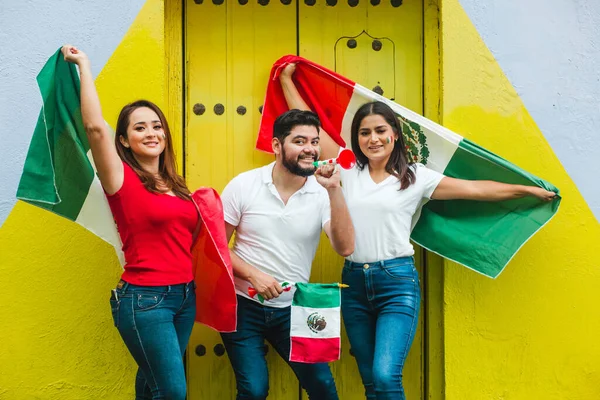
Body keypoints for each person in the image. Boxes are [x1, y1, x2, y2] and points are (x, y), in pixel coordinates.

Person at [279, 63, 556, 400]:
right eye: (365, 133)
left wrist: (525, 190)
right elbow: (308, 126)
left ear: (394, 134)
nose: (373, 139)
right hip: (352, 283)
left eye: (380, 131)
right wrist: (286, 79)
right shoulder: (346, 167)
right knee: (369, 378)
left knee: (385, 375)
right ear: (357, 139)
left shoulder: (415, 176)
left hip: (396, 283)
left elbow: (475, 190)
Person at [62, 45, 199, 400]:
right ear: (124, 139)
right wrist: (84, 66)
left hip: (184, 297)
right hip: (145, 300)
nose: (152, 133)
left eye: (157, 126)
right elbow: (93, 128)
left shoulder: (177, 186)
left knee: (151, 387)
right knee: (172, 392)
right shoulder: (120, 179)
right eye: (140, 128)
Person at [220, 109, 355, 400]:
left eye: (315, 141)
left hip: (295, 308)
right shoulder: (244, 185)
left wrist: (334, 190)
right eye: (300, 141)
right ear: (277, 145)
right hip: (243, 306)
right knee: (254, 390)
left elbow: (345, 247)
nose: (310, 149)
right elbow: (216, 246)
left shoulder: (322, 193)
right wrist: (253, 274)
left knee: (323, 388)